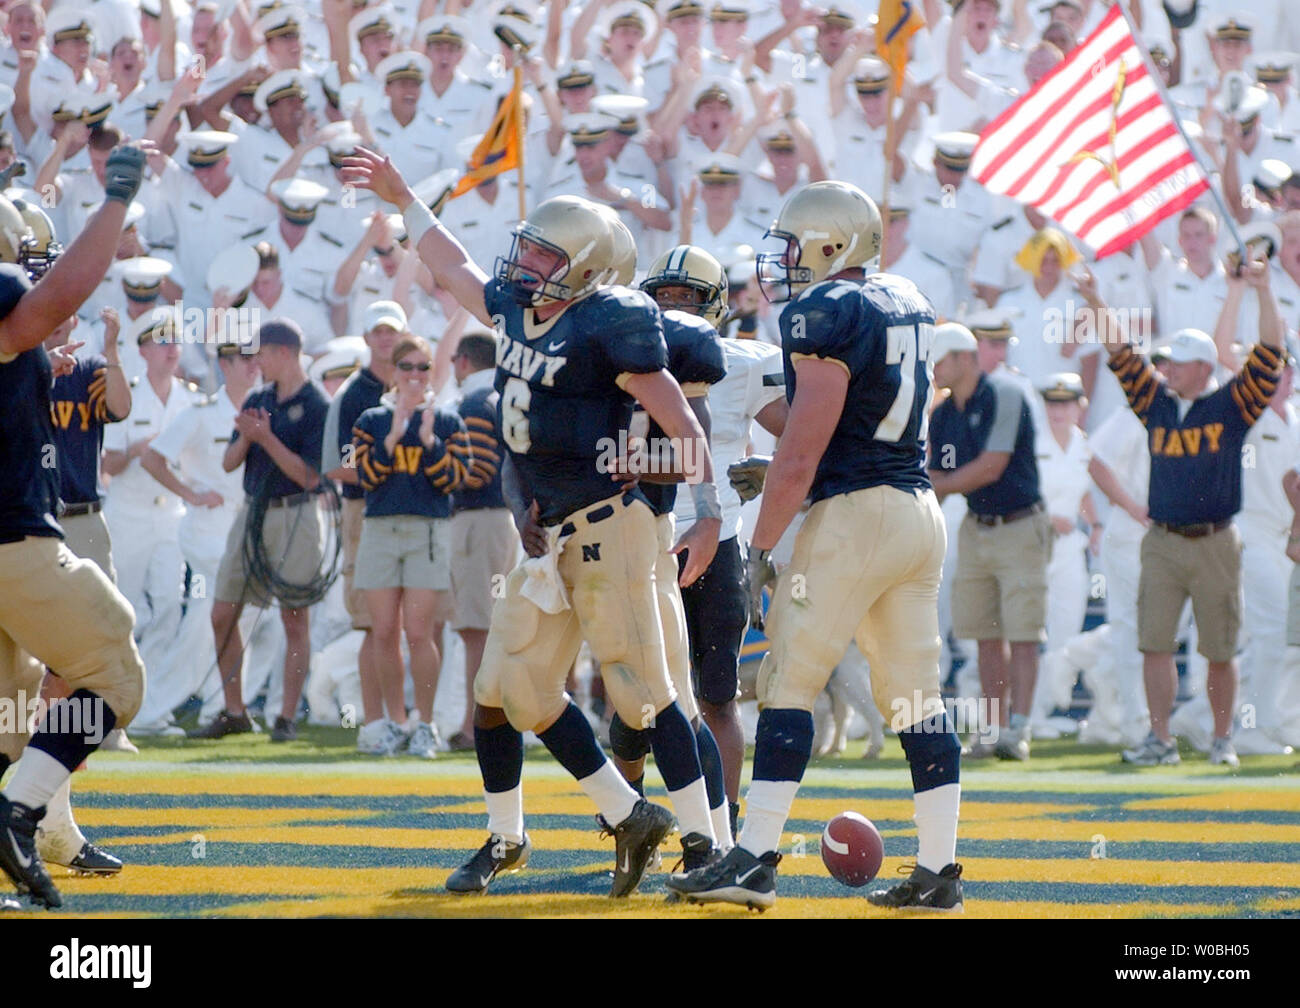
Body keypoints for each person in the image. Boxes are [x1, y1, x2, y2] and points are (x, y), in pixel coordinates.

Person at [341, 147, 724, 899]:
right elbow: (450, 268)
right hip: (549, 535)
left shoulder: (610, 324)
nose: (524, 262)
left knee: (645, 694)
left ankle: (707, 848)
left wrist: (703, 510)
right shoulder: (517, 309)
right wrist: (403, 197)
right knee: (503, 691)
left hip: (613, 529)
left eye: (546, 253)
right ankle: (533, 831)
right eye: (528, 245)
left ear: (584, 270)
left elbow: (685, 423)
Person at [667, 181, 961, 912]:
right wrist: (789, 472)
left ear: (832, 244)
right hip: (915, 511)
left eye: (794, 246)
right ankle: (939, 872)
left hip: (856, 518)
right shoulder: (906, 299)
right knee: (918, 698)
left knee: (787, 682)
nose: (784, 262)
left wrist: (759, 543)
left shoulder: (825, 311)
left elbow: (804, 446)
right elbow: (859, 429)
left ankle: (755, 856)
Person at [0, 142, 149, 910]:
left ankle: (25, 825)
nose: (36, 265)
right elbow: (54, 299)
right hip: (11, 540)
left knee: (9, 718)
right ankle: (18, 818)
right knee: (114, 675)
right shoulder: (12, 304)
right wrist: (119, 194)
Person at [1077, 258, 1285, 768]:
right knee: (1154, 644)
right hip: (1164, 539)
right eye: (1165, 361)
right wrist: (1094, 300)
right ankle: (1161, 739)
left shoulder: (1233, 404)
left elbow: (1271, 353)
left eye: (1175, 362)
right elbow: (1122, 352)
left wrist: (1261, 289)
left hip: (1216, 539)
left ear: (1203, 367)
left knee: (1219, 649)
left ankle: (1221, 739)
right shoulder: (1156, 403)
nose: (1164, 368)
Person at [197, 317, 330, 743]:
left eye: (262, 355)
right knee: (222, 613)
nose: (256, 364)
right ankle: (235, 711)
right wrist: (249, 437)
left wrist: (266, 438)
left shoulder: (317, 405)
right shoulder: (258, 397)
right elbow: (229, 463)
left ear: (284, 353)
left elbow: (310, 476)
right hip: (253, 510)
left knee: (294, 617)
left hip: (296, 513)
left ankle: (286, 716)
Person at [927, 321, 1049, 763]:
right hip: (977, 524)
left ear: (964, 357)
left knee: (1022, 634)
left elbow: (990, 467)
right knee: (984, 636)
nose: (933, 370)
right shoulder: (941, 414)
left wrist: (941, 481)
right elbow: (938, 479)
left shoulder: (1007, 393)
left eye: (939, 361)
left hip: (1020, 525)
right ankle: (995, 728)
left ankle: (1019, 729)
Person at [352, 334, 472, 759]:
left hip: (428, 530)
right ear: (394, 371)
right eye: (408, 367)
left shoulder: (448, 421)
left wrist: (429, 443)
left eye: (423, 367)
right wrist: (393, 438)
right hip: (381, 528)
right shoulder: (371, 419)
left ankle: (425, 723)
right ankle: (395, 722)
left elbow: (454, 480)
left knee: (420, 632)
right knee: (382, 631)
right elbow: (364, 477)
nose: (416, 376)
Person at [445, 331, 520, 752]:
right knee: (490, 624)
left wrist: (433, 469)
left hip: (479, 520)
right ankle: (488, 719)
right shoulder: (498, 397)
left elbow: (475, 470)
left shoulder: (474, 403)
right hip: (499, 521)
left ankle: (478, 725)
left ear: (463, 362)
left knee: (478, 627)